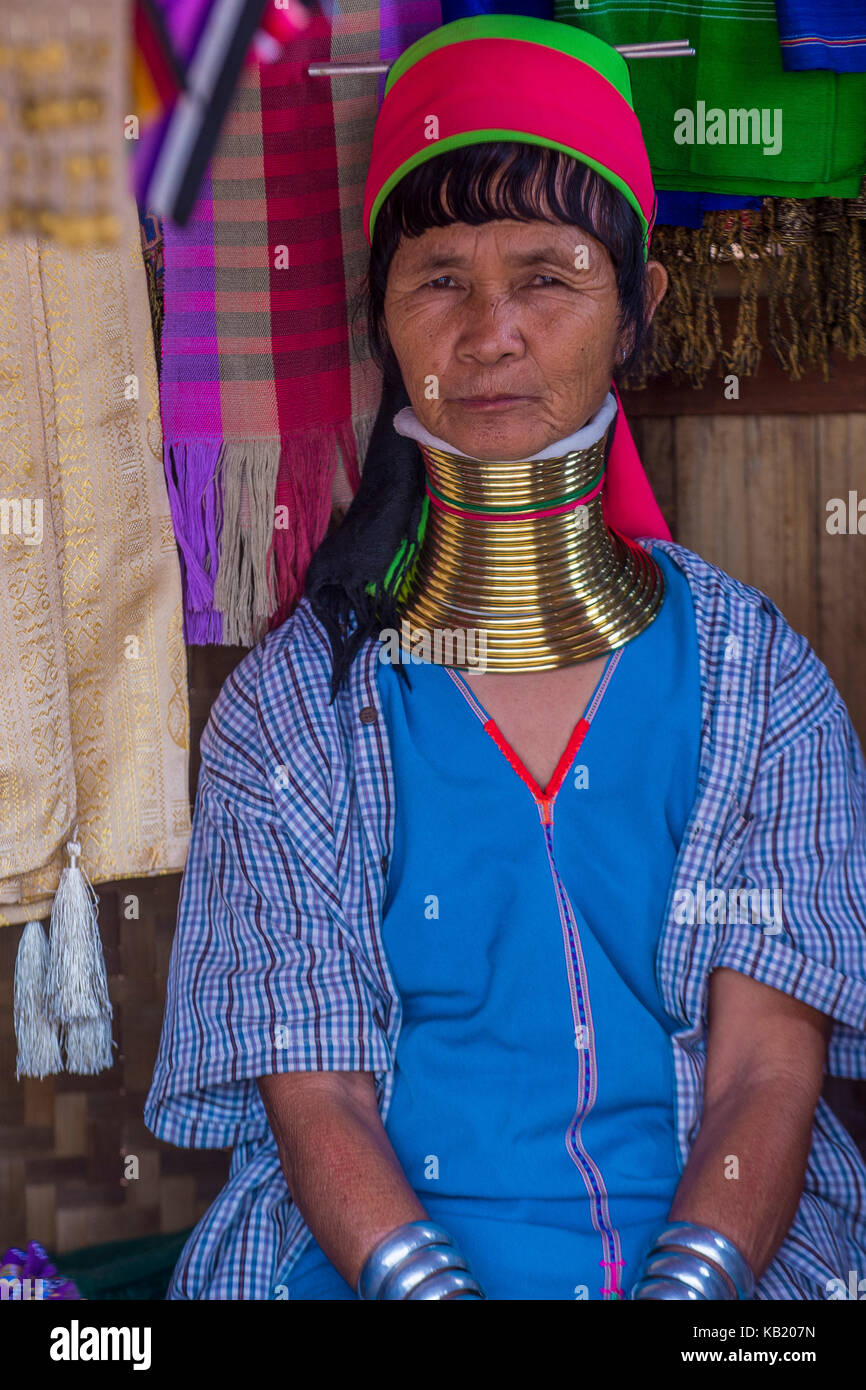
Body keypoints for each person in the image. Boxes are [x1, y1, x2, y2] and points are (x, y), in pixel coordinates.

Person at [144, 15, 866, 1300]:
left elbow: (765, 1071)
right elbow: (318, 1094)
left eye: (546, 274)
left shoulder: (762, 689)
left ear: (636, 306)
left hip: (719, 1263)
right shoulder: (292, 716)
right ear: (380, 314)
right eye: (438, 277)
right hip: (362, 1266)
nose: (489, 334)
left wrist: (689, 1292)